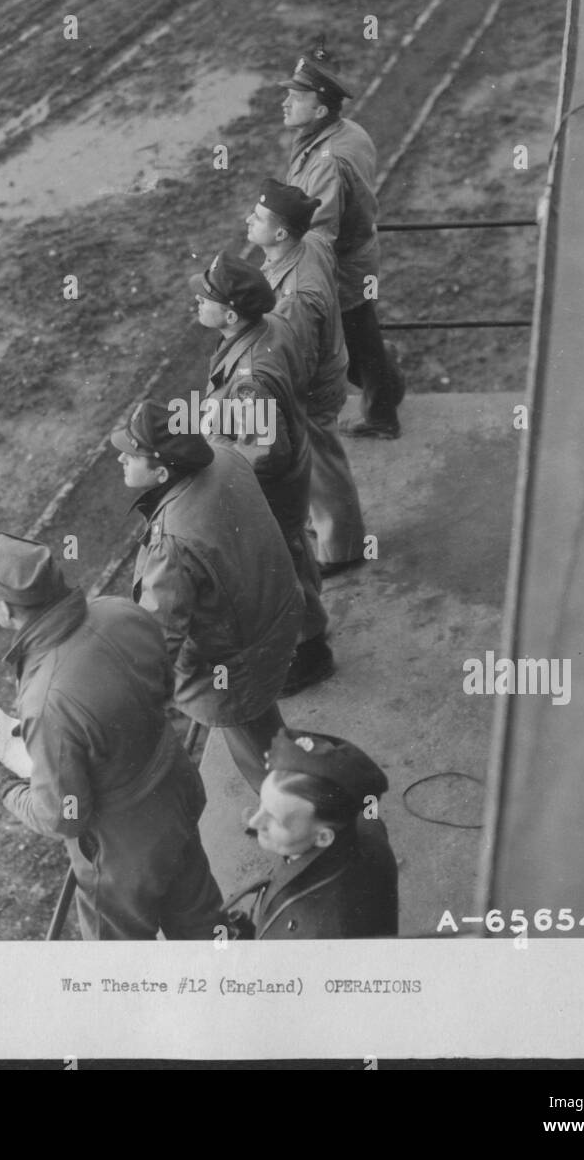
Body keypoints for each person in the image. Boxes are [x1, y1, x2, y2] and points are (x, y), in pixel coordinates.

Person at [0, 530, 224, 941]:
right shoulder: (120, 611)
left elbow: (64, 817)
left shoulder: (46, 700)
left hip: (122, 850)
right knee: (204, 925)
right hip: (176, 792)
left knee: (116, 975)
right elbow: (160, 687)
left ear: (2, 607)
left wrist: (3, 787)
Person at [113, 399, 303, 791]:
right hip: (275, 616)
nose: (121, 461)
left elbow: (158, 636)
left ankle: (287, 807)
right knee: (265, 727)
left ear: (162, 471)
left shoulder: (172, 541)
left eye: (131, 456)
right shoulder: (225, 457)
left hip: (233, 664)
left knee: (260, 753)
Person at [189, 249, 333, 694]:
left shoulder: (251, 374)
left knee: (279, 567)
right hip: (289, 473)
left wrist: (223, 472)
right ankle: (313, 628)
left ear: (230, 314)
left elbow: (265, 451)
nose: (197, 302)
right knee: (292, 553)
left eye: (204, 298)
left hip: (268, 486)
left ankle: (310, 654)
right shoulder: (265, 329)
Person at [282, 37, 406, 439]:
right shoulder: (346, 131)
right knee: (360, 334)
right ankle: (385, 389)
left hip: (339, 266)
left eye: (294, 97)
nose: (285, 103)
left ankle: (383, 411)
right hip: (358, 256)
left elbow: (320, 230)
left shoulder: (327, 160)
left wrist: (296, 276)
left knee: (350, 341)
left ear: (319, 108)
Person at [247, 177, 367, 577]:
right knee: (319, 461)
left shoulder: (295, 297)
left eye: (258, 216)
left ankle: (341, 549)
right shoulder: (310, 243)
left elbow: (297, 356)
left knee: (322, 466)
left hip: (310, 388)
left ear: (280, 233)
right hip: (329, 371)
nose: (249, 219)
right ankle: (325, 528)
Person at [224, 728, 399, 939]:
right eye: (261, 804)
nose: (253, 821)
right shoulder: (362, 824)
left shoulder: (320, 931)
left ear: (324, 837)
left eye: (276, 819)